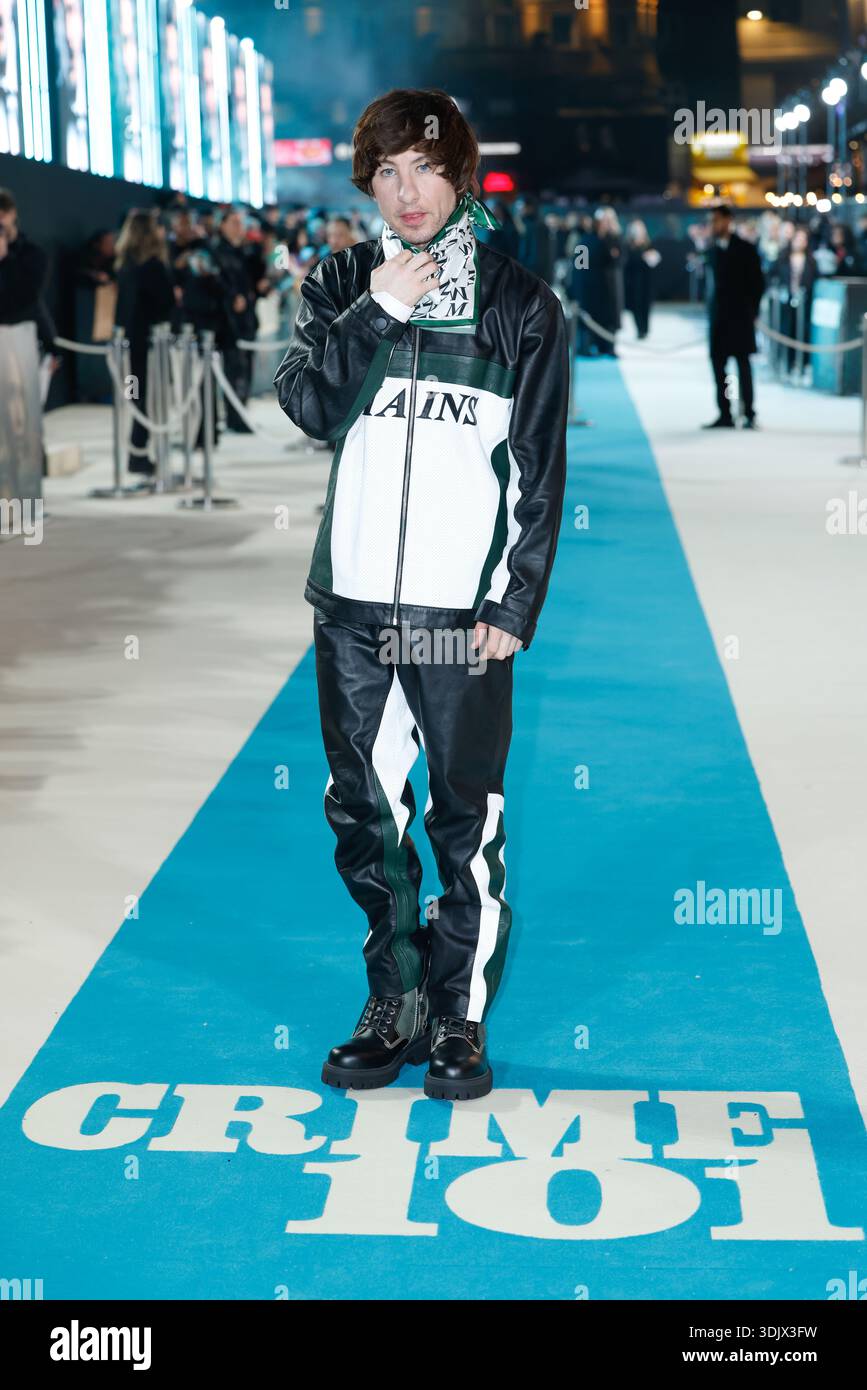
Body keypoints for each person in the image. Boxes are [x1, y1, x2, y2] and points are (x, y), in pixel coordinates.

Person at [274, 87, 569, 1102]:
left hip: (458, 620)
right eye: (386, 173)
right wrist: (380, 306)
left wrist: (512, 606)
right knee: (362, 811)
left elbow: (538, 475)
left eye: (423, 169)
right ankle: (391, 999)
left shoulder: (523, 305)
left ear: (461, 173)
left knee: (461, 819)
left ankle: (458, 1018)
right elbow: (310, 405)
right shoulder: (341, 283)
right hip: (351, 610)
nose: (405, 192)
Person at [114, 208, 177, 475]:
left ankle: (136, 452)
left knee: (137, 397)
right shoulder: (153, 266)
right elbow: (166, 304)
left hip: (130, 341)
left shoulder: (125, 264)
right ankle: (138, 454)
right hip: (151, 345)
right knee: (148, 400)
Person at [703, 204, 764, 430]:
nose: (713, 225)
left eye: (716, 220)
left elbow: (757, 284)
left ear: (728, 220)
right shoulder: (712, 250)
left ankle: (748, 411)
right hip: (718, 319)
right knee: (720, 368)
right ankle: (725, 413)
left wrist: (752, 311)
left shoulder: (746, 249)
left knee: (743, 366)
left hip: (740, 318)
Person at [623, 218, 660, 340]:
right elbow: (627, 263)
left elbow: (654, 260)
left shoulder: (648, 244)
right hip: (633, 282)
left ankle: (645, 328)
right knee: (636, 306)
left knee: (646, 305)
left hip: (646, 281)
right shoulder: (628, 246)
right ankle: (640, 329)